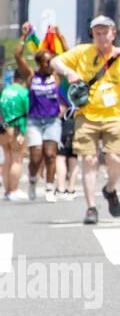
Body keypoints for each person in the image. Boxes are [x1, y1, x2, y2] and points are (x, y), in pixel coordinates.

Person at [50, 15, 120, 224]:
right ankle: (91, 208)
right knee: (88, 160)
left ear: (113, 34)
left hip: (115, 116)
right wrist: (69, 72)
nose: (101, 36)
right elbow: (55, 60)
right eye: (97, 32)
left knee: (115, 160)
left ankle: (110, 189)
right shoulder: (82, 52)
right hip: (86, 115)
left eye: (105, 32)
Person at [17, 36, 65, 202]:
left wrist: (61, 37)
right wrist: (23, 37)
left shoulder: (56, 76)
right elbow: (18, 56)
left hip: (52, 120)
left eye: (51, 61)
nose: (49, 64)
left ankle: (50, 188)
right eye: (46, 62)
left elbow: (66, 54)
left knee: (50, 155)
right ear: (39, 63)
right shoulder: (32, 76)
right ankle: (32, 181)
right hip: (35, 121)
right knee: (36, 156)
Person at [0, 55, 30, 200]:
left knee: (7, 159)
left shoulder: (5, 91)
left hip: (2, 128)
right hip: (17, 127)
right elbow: (28, 110)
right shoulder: (23, 92)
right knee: (17, 159)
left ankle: (7, 191)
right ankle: (14, 190)